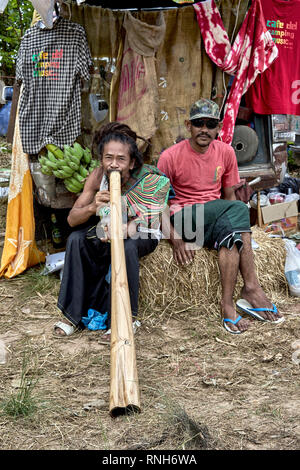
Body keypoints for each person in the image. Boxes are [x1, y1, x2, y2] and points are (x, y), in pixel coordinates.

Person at [157, 98, 284, 334]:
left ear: (219, 127)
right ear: (189, 125)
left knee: (232, 238)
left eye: (210, 124)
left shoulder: (225, 152)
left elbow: (228, 196)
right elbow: (158, 205)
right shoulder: (170, 156)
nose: (204, 129)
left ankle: (228, 307)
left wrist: (243, 235)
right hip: (184, 218)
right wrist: (175, 238)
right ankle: (252, 288)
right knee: (239, 210)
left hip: (215, 215)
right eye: (198, 123)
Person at [54, 122, 170, 338]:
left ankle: (127, 318)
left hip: (143, 232)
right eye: (109, 158)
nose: (114, 164)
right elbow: (72, 219)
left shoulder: (150, 178)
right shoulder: (98, 176)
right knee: (77, 239)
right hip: (109, 229)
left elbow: (149, 219)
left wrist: (123, 228)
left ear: (132, 161)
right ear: (102, 159)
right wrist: (92, 207)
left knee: (126, 246)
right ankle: (72, 316)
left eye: (121, 159)